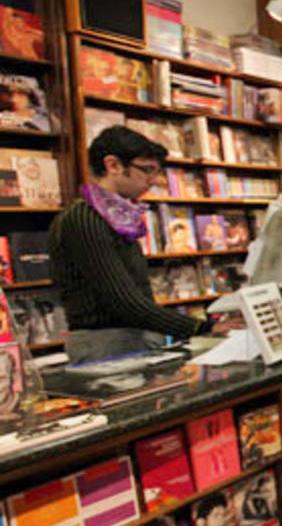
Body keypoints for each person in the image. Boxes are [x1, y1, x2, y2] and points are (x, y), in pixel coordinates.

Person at [49, 127, 240, 363]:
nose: (154, 180)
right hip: (106, 346)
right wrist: (202, 328)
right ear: (113, 165)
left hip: (129, 340)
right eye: (147, 170)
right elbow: (123, 301)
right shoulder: (85, 218)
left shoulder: (115, 217)